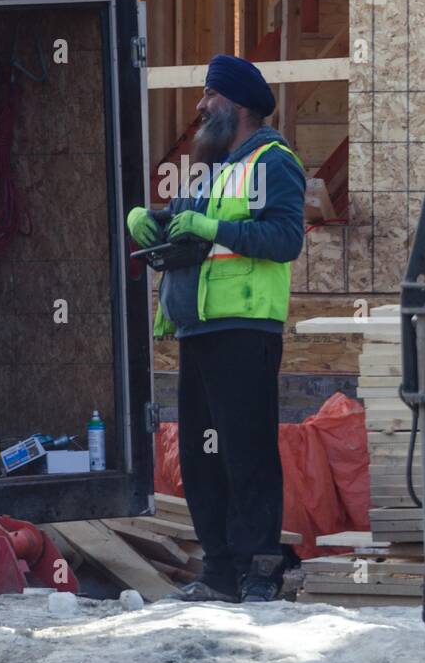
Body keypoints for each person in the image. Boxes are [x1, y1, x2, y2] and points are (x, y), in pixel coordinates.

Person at [127, 54, 305, 603]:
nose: (201, 106)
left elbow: (284, 239)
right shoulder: (212, 169)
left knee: (246, 452)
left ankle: (259, 571)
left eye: (210, 95)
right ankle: (220, 573)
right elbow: (188, 232)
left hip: (245, 328)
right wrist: (151, 224)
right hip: (199, 330)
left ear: (239, 106)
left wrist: (211, 225)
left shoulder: (274, 162)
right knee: (204, 459)